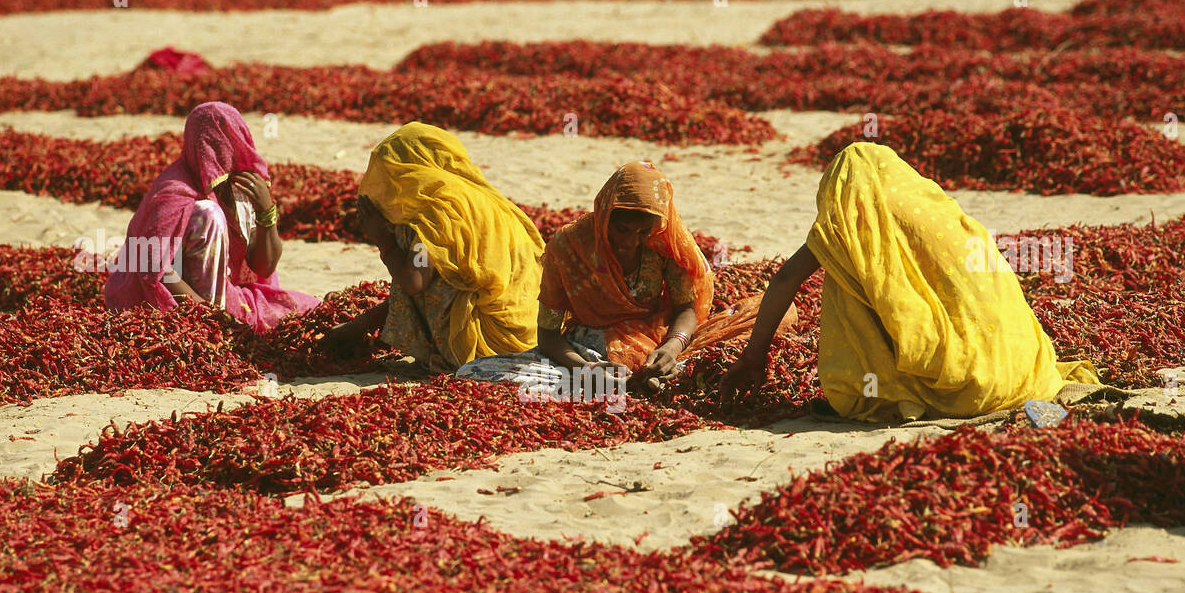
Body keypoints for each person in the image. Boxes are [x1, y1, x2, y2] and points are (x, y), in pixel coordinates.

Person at [720, 142, 1097, 420]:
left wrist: (754, 356)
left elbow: (786, 278)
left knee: (851, 271)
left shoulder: (847, 229)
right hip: (1017, 368)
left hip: (960, 388)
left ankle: (905, 388)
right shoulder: (944, 214)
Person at [458, 161, 785, 395]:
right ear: (604, 215)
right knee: (471, 372)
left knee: (772, 314)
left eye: (642, 231)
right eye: (622, 229)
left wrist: (671, 348)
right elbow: (547, 335)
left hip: (657, 343)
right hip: (589, 349)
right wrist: (585, 369)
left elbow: (686, 309)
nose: (631, 240)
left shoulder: (662, 244)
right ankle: (640, 381)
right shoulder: (569, 247)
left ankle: (656, 374)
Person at [319, 122, 544, 372]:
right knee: (420, 247)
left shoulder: (438, 211)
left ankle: (445, 354)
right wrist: (362, 324)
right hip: (529, 333)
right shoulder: (478, 197)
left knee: (408, 239)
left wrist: (382, 238)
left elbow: (414, 281)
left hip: (489, 345)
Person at [103, 101, 319, 330]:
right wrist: (204, 313)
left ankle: (223, 314)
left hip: (226, 297)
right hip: (164, 304)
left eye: (230, 141)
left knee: (311, 308)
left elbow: (263, 268)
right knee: (208, 213)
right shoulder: (173, 192)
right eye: (212, 143)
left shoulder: (241, 187)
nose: (220, 152)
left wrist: (267, 212)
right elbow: (152, 267)